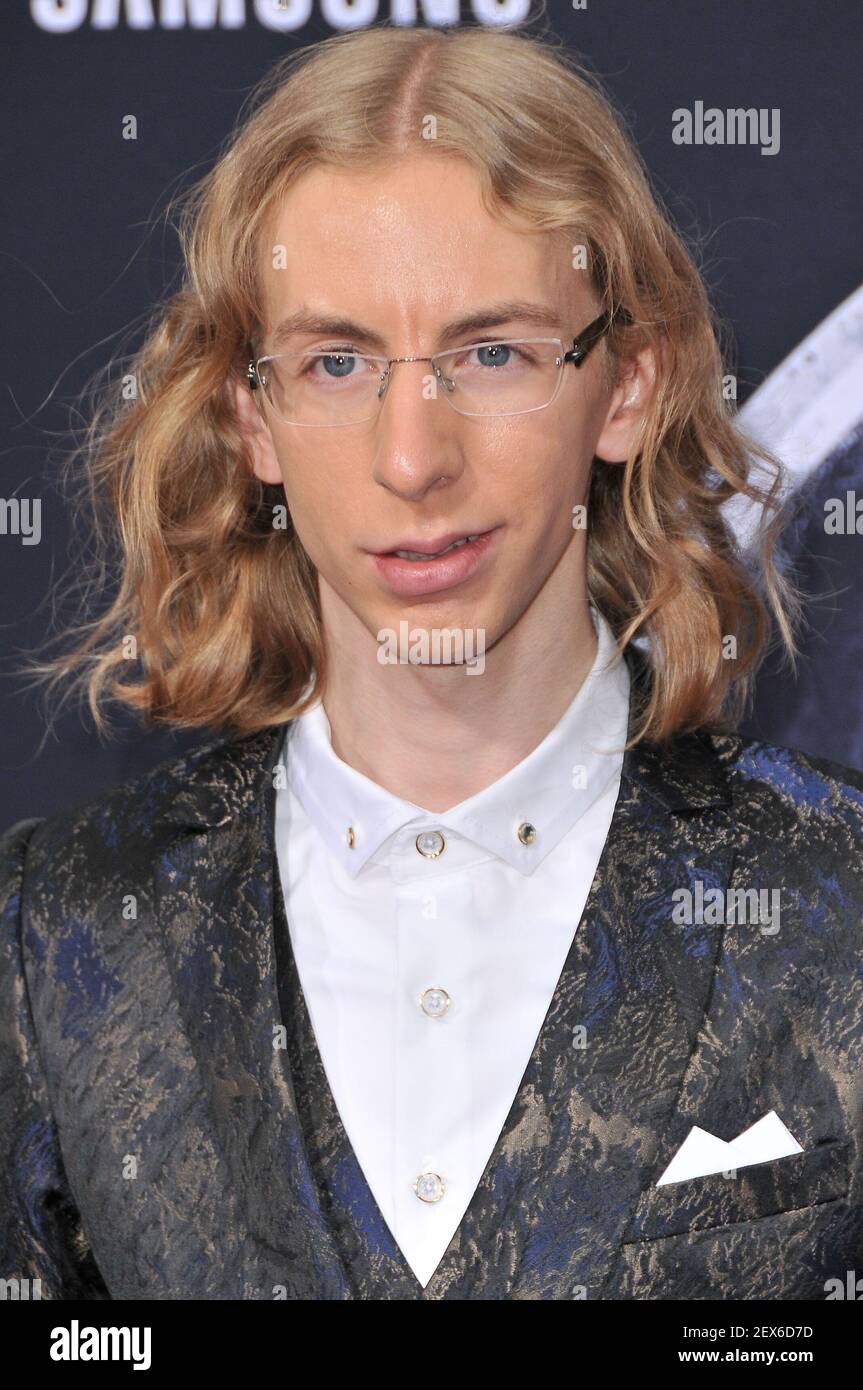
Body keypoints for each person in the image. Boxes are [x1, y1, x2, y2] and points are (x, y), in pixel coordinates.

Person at [1, 23, 861, 1302]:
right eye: (338, 362)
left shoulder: (837, 904)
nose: (412, 458)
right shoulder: (55, 935)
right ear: (253, 413)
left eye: (491, 354)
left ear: (628, 383)